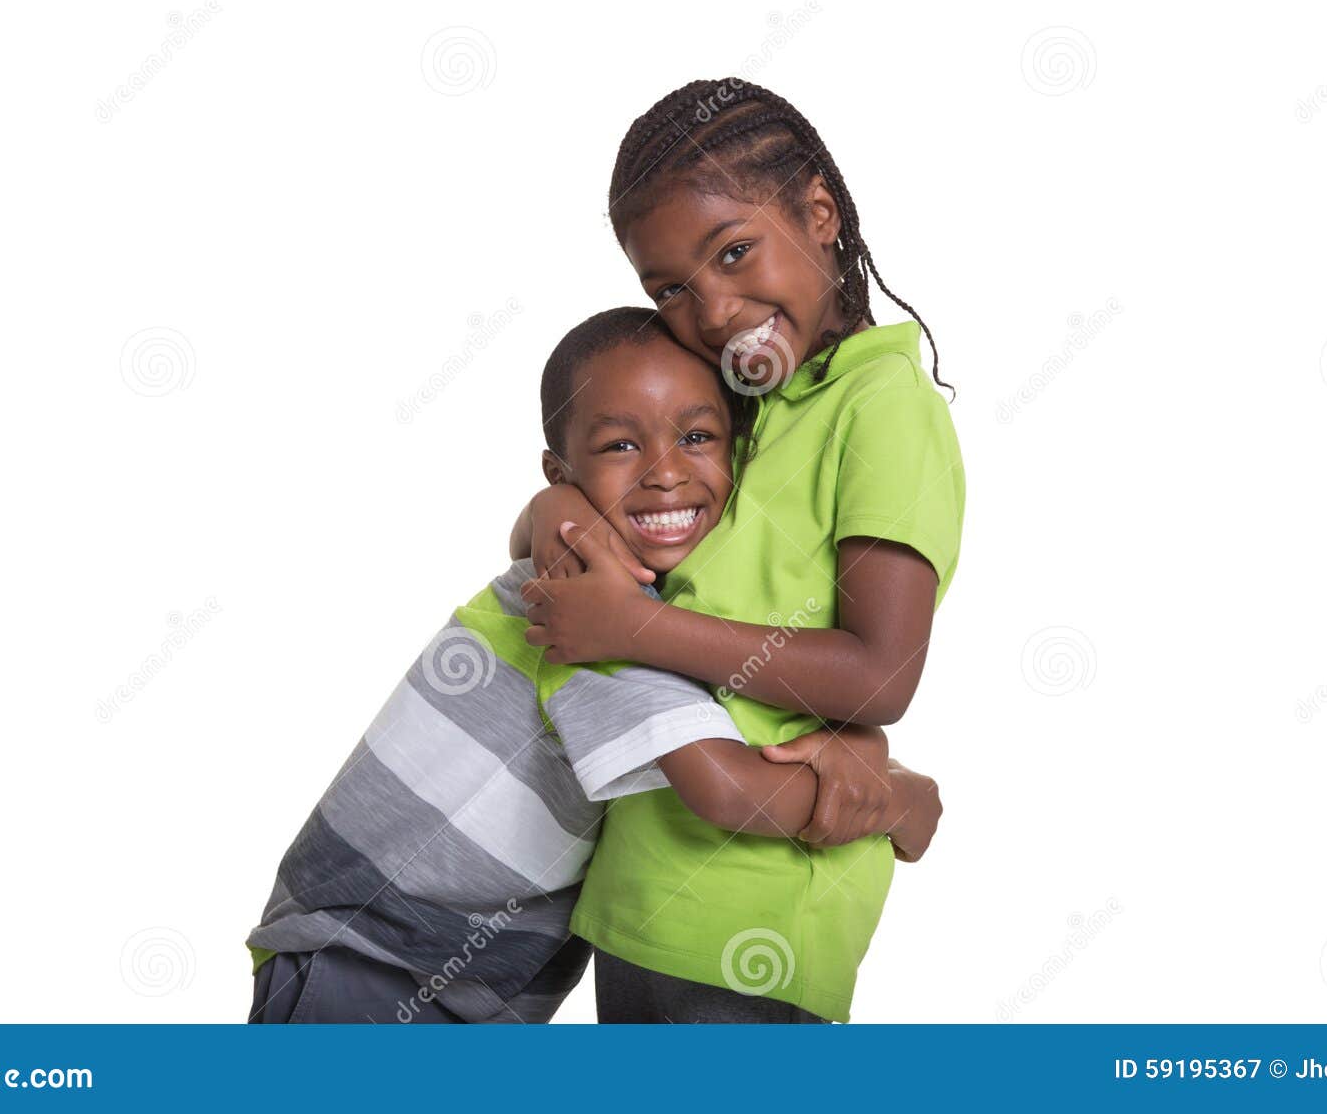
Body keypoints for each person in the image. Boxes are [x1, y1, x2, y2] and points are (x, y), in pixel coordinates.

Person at [247, 307, 942, 1023]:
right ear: (564, 470)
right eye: (619, 445)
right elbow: (729, 792)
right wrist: (896, 799)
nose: (666, 473)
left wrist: (548, 508)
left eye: (698, 436)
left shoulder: (616, 592)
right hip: (369, 959)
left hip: (449, 977)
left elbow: (535, 529)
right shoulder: (591, 616)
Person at [514, 80, 966, 1023]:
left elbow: (880, 675)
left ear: (818, 210)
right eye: (670, 289)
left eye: (733, 252)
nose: (712, 309)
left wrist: (638, 625)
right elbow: (596, 484)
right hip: (637, 892)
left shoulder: (883, 408)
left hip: (755, 922)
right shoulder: (741, 402)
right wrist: (558, 505)